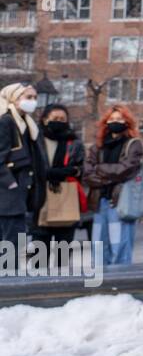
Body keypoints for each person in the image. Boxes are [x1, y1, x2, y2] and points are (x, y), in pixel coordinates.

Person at [83, 106, 143, 266]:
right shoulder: (97, 146)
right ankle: (100, 281)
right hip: (100, 200)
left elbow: (126, 169)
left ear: (127, 122)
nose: (114, 122)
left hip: (121, 201)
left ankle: (121, 280)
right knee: (99, 244)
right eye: (111, 119)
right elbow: (87, 173)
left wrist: (100, 169)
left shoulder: (134, 144)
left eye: (119, 119)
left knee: (120, 243)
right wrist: (111, 177)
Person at [0, 83, 46, 253]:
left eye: (35, 98)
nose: (33, 101)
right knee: (11, 246)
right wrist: (11, 183)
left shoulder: (27, 124)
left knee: (15, 244)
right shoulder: (6, 122)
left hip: (20, 193)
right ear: (14, 99)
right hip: (8, 196)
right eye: (28, 97)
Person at [32, 104, 85, 251]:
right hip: (40, 200)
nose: (59, 121)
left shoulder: (74, 142)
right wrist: (47, 173)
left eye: (62, 118)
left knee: (63, 255)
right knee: (40, 256)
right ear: (44, 119)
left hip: (66, 199)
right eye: (55, 118)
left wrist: (70, 171)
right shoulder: (35, 140)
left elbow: (82, 168)